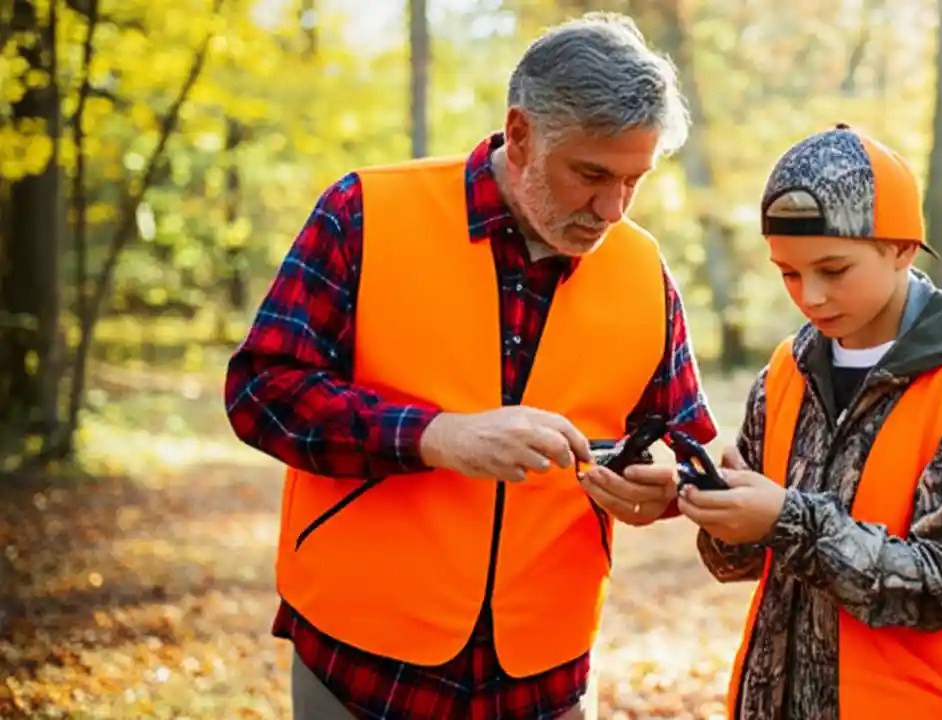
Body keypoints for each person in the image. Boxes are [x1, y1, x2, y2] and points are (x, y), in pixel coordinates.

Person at [223, 13, 717, 720]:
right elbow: (262, 391)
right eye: (591, 174)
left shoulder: (642, 270)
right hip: (360, 667)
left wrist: (664, 487)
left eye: (634, 180)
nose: (611, 209)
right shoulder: (362, 211)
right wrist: (435, 435)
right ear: (519, 136)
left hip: (547, 680)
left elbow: (689, 443)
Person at [677, 124, 942, 719]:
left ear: (901, 249)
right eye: (787, 272)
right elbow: (741, 562)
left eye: (833, 269)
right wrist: (706, 503)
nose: (809, 295)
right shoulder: (787, 371)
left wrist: (788, 519)